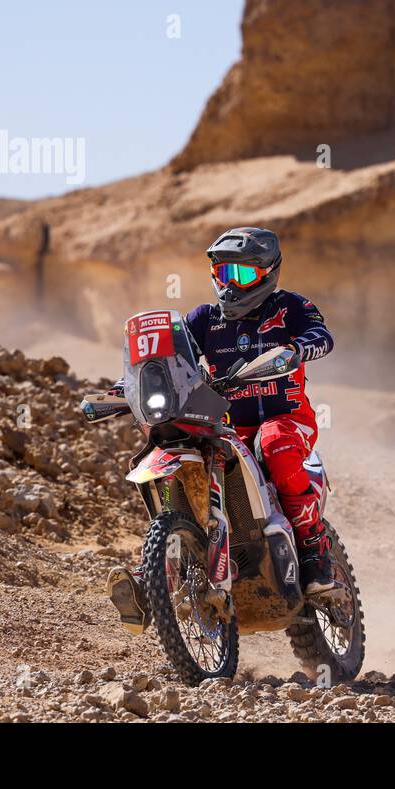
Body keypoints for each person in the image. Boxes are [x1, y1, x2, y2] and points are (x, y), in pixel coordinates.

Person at [107, 226, 336, 631]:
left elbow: (323, 337)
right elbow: (167, 361)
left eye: (242, 275)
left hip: (284, 418)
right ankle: (155, 577)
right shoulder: (202, 320)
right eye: (223, 274)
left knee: (275, 443)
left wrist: (297, 349)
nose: (230, 285)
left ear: (268, 273)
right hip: (223, 422)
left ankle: (315, 551)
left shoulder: (290, 307)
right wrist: (125, 387)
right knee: (170, 458)